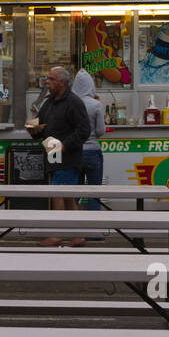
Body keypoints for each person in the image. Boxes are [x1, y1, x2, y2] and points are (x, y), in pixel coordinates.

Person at [26, 66, 89, 243]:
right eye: (48, 78)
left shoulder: (74, 102)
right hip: (52, 153)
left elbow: (84, 130)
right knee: (68, 198)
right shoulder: (49, 102)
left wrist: (65, 145)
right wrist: (34, 129)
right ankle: (78, 236)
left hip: (67, 156)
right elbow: (42, 124)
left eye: (51, 79)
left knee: (57, 193)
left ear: (62, 82)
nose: (47, 82)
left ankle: (57, 234)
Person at [72, 69, 107, 211]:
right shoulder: (96, 105)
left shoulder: (71, 103)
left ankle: (72, 228)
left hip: (75, 153)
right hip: (93, 151)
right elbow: (101, 131)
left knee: (74, 193)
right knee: (94, 193)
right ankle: (94, 231)